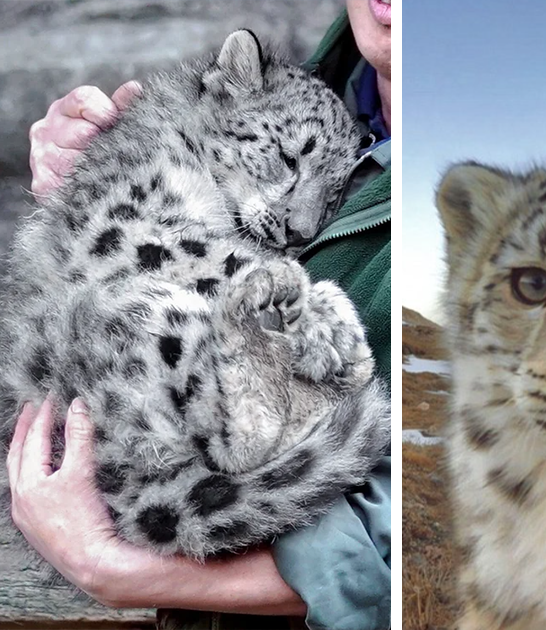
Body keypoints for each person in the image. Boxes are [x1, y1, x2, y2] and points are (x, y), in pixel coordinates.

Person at [8, 2, 392, 629]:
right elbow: (105, 249)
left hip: (192, 509)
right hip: (104, 438)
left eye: (323, 193)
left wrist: (114, 569)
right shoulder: (303, 89)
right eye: (286, 166)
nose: (299, 222)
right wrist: (74, 162)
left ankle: (246, 423)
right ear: (220, 96)